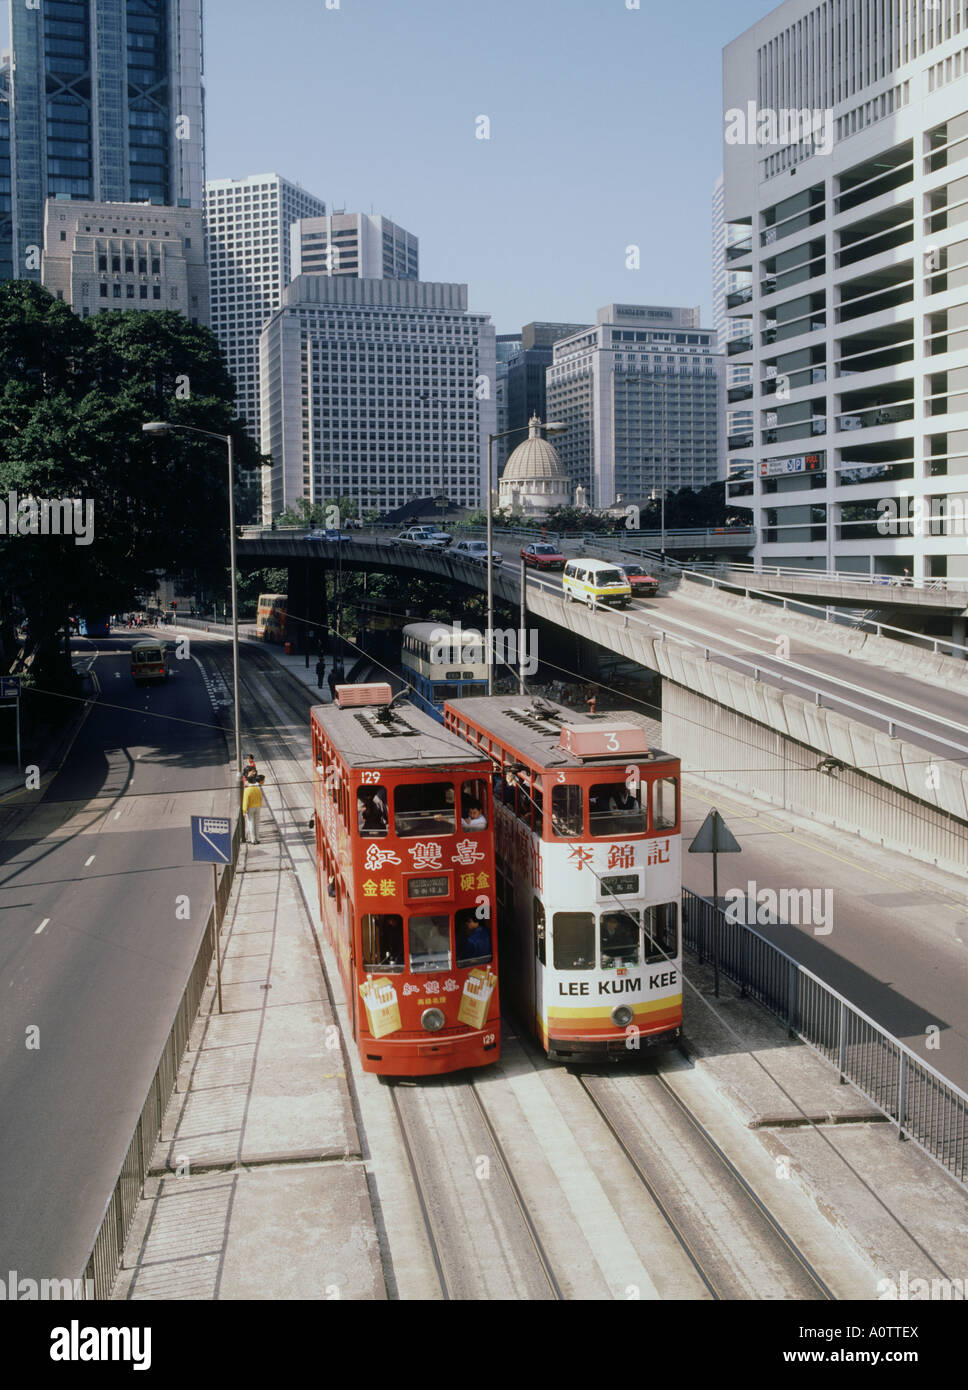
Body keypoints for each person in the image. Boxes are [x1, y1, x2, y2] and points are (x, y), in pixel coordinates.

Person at [243, 773, 264, 844]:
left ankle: (253, 840)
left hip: (250, 808)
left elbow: (245, 801)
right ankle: (258, 839)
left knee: (251, 823)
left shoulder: (247, 790)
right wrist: (260, 805)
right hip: (258, 807)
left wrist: (244, 810)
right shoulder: (257, 788)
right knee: (257, 823)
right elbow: (261, 798)